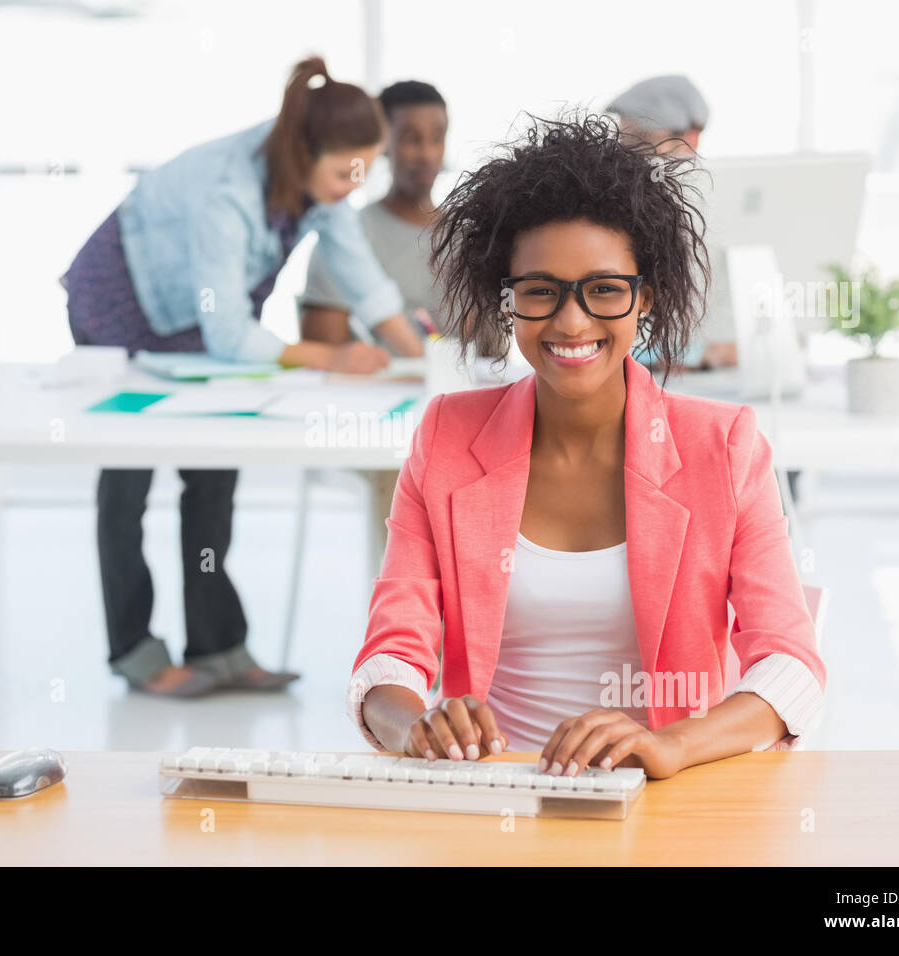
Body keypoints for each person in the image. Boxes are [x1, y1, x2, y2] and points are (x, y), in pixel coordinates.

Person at [347, 113, 825, 778]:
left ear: (646, 297)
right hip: (496, 795)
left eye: (604, 290)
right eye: (540, 292)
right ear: (507, 299)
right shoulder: (448, 437)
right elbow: (391, 655)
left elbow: (790, 666)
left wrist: (672, 745)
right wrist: (415, 725)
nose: (571, 322)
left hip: (668, 798)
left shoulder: (724, 446)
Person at [63, 56, 423, 698]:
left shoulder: (320, 174)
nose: (352, 186)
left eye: (362, 171)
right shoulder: (227, 191)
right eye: (345, 172)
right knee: (128, 479)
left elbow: (360, 273)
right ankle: (136, 653)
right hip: (120, 303)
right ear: (306, 153)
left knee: (214, 465)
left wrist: (417, 359)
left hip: (200, 318)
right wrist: (330, 357)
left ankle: (219, 647)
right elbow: (229, 333)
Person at [297, 79, 448, 343]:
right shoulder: (344, 235)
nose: (427, 154)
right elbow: (324, 353)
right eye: (411, 140)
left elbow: (495, 354)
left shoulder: (474, 240)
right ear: (381, 143)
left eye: (437, 139)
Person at [608, 74, 737, 370]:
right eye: (625, 135)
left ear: (690, 140)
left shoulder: (713, 198)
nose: (623, 148)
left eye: (640, 138)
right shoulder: (615, 197)